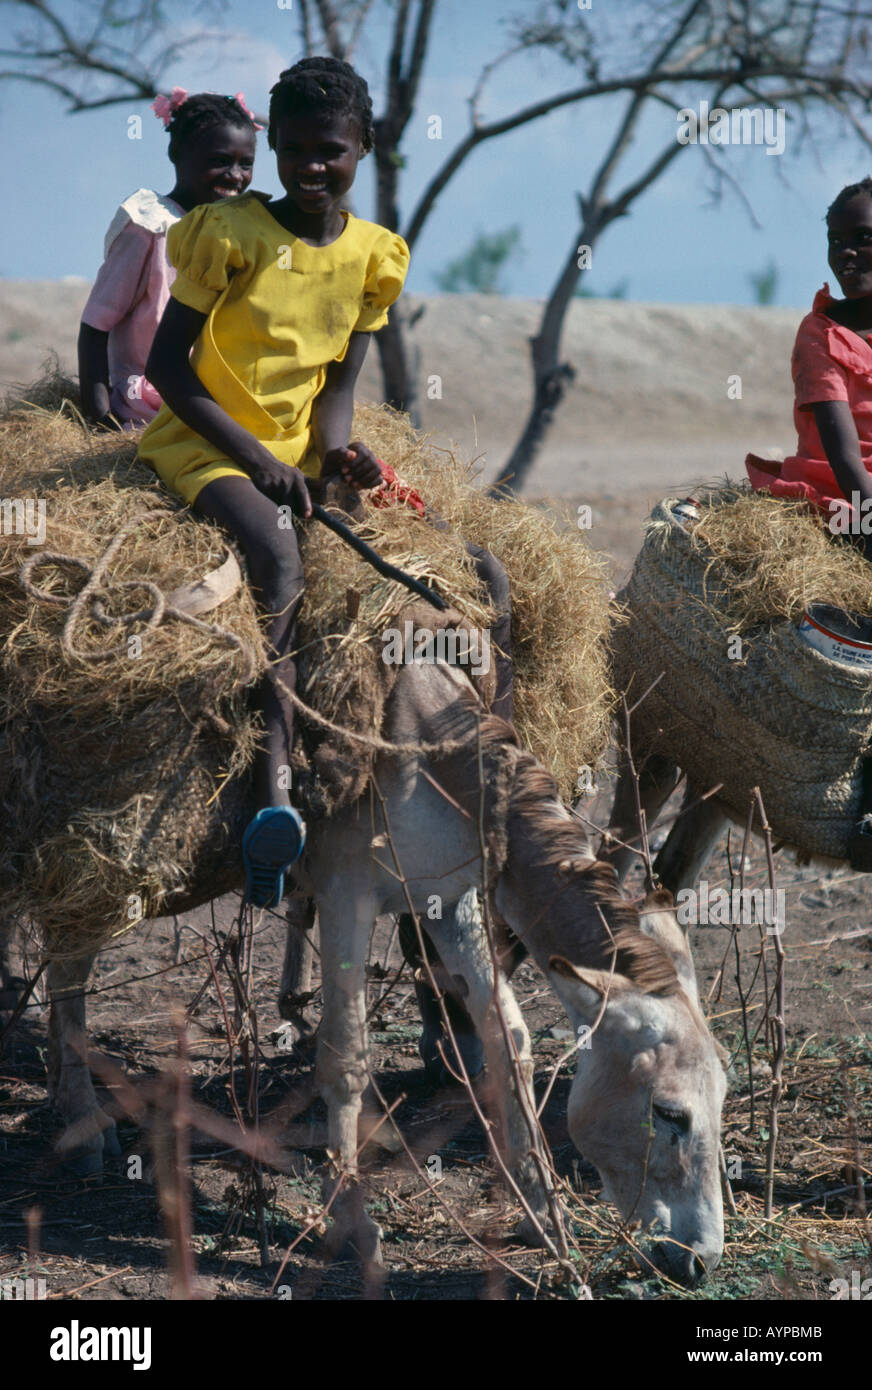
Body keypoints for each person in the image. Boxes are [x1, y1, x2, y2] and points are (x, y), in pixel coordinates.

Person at [745, 177, 872, 867]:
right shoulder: (819, 335)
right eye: (836, 242)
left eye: (863, 240)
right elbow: (846, 460)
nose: (847, 255)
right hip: (842, 502)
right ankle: (867, 804)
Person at [78, 90, 261, 428]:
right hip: (150, 405)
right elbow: (94, 326)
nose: (235, 175)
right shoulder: (150, 226)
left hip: (214, 398)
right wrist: (100, 420)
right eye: (220, 161)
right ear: (177, 154)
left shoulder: (237, 232)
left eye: (245, 163)